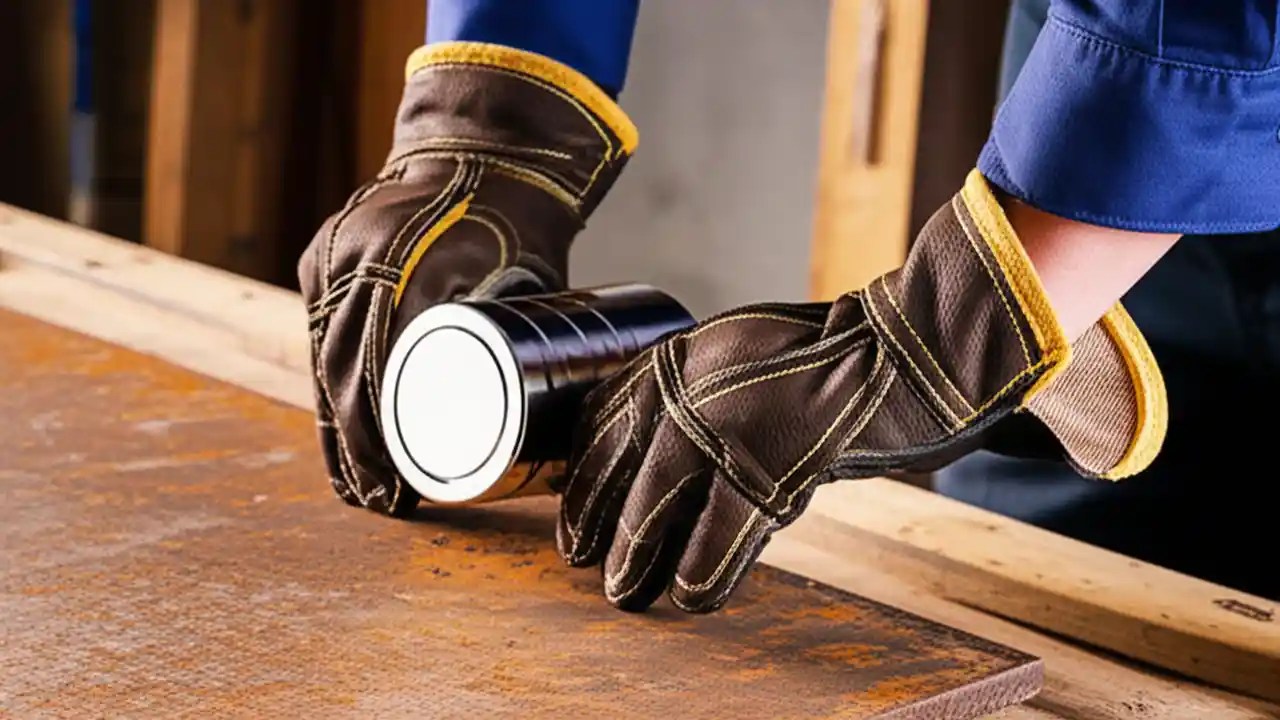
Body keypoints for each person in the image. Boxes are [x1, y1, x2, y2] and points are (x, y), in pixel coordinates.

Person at [297, 1, 1279, 614]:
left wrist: (952, 331)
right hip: (1109, 45)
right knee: (1048, 594)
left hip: (1194, 36)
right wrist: (490, 109)